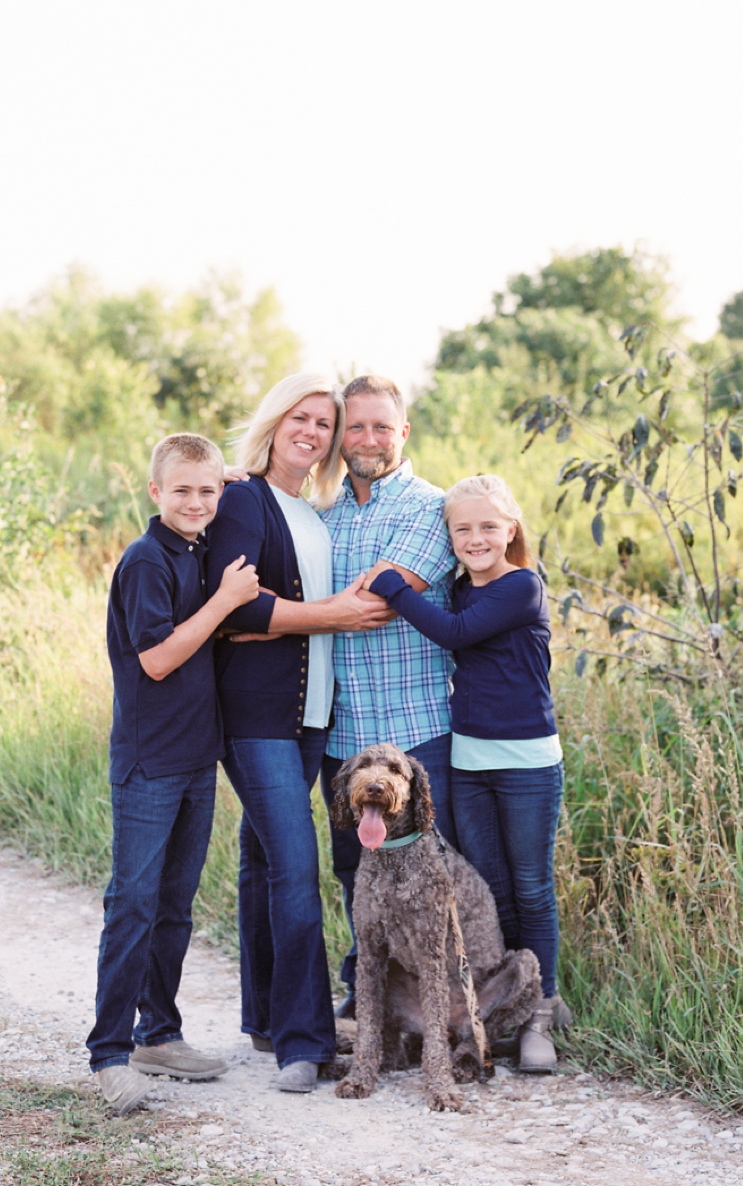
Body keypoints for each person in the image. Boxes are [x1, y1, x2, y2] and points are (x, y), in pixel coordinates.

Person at [207, 373, 393, 1093]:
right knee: (295, 867)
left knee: (260, 865)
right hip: (256, 721)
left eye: (326, 422)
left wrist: (305, 614)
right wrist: (332, 615)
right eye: (301, 417)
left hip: (312, 717)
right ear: (275, 420)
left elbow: (272, 612)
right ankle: (304, 1042)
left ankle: (263, 1016)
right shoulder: (245, 497)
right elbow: (236, 609)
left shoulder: (312, 514)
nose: (312, 431)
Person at [365, 473, 571, 1072]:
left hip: (527, 759)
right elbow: (451, 618)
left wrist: (390, 585)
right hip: (470, 757)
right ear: (450, 537)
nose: (476, 537)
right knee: (490, 885)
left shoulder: (521, 587)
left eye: (488, 526)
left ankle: (540, 1013)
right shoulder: (458, 587)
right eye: (463, 528)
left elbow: (452, 633)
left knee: (531, 886)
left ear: (511, 529)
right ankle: (494, 1011)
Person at [88, 433, 260, 1115]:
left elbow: (217, 483)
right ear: (154, 492)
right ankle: (109, 1055)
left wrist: (233, 478)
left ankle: (158, 1033)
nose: (196, 501)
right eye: (181, 489)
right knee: (132, 903)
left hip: (195, 758)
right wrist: (222, 603)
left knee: (174, 907)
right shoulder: (145, 561)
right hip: (148, 761)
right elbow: (157, 659)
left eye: (208, 491)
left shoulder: (197, 545)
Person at [319, 374, 458, 1016]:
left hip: (419, 730)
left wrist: (314, 606)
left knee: (433, 879)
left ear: (404, 432)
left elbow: (374, 604)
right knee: (357, 872)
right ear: (340, 436)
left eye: (382, 426)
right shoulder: (323, 517)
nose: (368, 438)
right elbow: (345, 601)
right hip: (345, 737)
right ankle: (368, 1000)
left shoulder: (432, 508)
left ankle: (452, 1007)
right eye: (356, 426)